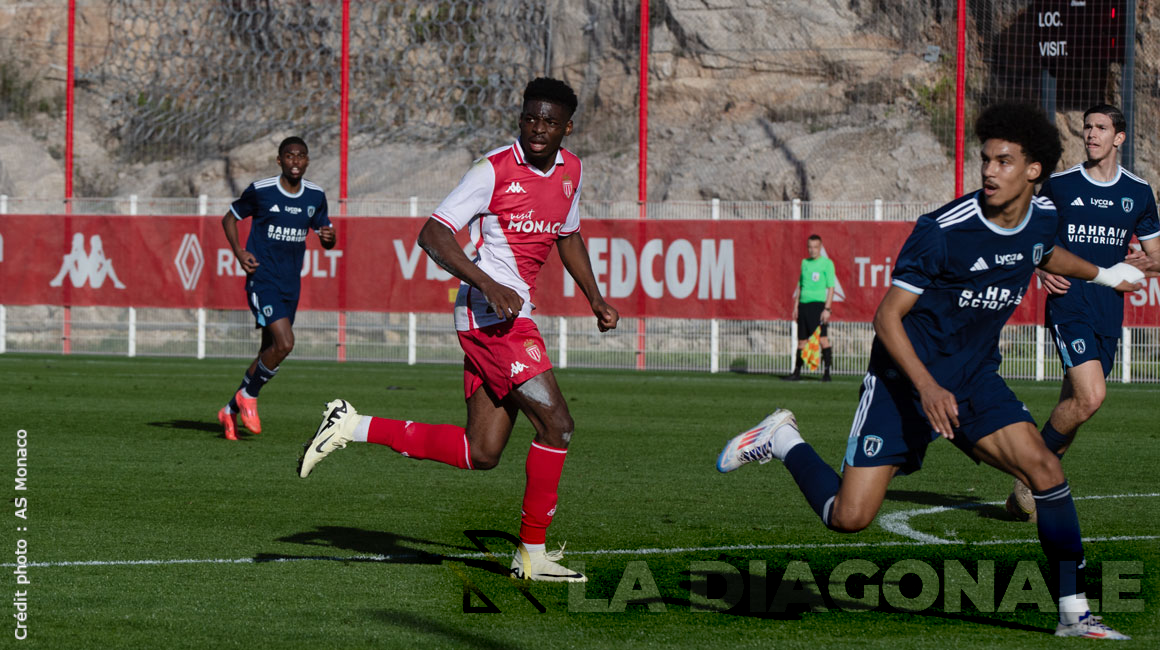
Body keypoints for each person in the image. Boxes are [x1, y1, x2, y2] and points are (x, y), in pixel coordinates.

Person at [716, 103, 1148, 638]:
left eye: (1004, 161)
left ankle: (1074, 614)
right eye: (985, 159)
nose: (989, 171)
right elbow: (886, 318)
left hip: (973, 380)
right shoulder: (944, 230)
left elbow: (1045, 252)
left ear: (1033, 170)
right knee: (848, 517)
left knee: (1045, 470)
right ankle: (782, 439)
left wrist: (1105, 275)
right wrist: (926, 386)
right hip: (904, 382)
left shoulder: (1042, 218)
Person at [297, 78, 619, 583]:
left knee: (481, 452)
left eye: (549, 121)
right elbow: (432, 234)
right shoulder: (493, 170)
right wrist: (488, 284)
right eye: (530, 118)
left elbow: (569, 235)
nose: (538, 128)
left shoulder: (571, 171)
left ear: (567, 128)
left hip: (510, 312)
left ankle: (350, 425)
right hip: (492, 316)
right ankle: (531, 554)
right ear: (521, 119)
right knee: (557, 425)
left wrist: (594, 297)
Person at [1007, 104, 1160, 522]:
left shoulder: (1138, 192)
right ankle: (1030, 475)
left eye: (1101, 128)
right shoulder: (1060, 186)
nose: (1091, 134)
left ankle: (1023, 496)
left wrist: (1144, 264)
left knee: (1076, 406)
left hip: (1109, 310)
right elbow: (1026, 234)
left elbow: (1156, 255)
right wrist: (1041, 268)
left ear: (1119, 138)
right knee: (1091, 396)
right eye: (1088, 127)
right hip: (1069, 303)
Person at [217, 136, 335, 440]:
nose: (295, 161)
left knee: (269, 352)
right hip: (263, 278)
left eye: (301, 156)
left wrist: (328, 238)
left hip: (290, 282)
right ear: (279, 160)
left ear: (307, 161)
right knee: (285, 344)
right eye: (289, 156)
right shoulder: (262, 190)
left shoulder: (315, 195)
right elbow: (229, 219)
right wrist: (239, 252)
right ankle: (249, 396)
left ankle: (230, 409)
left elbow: (326, 233)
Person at [783, 234, 836, 381]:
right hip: (803, 306)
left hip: (818, 307)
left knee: (823, 339)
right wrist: (796, 306)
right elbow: (800, 285)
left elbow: (831, 288)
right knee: (802, 341)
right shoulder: (804, 263)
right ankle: (796, 372)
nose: (812, 250)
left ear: (820, 247)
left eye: (815, 247)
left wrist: (827, 309)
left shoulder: (827, 264)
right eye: (810, 247)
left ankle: (826, 373)